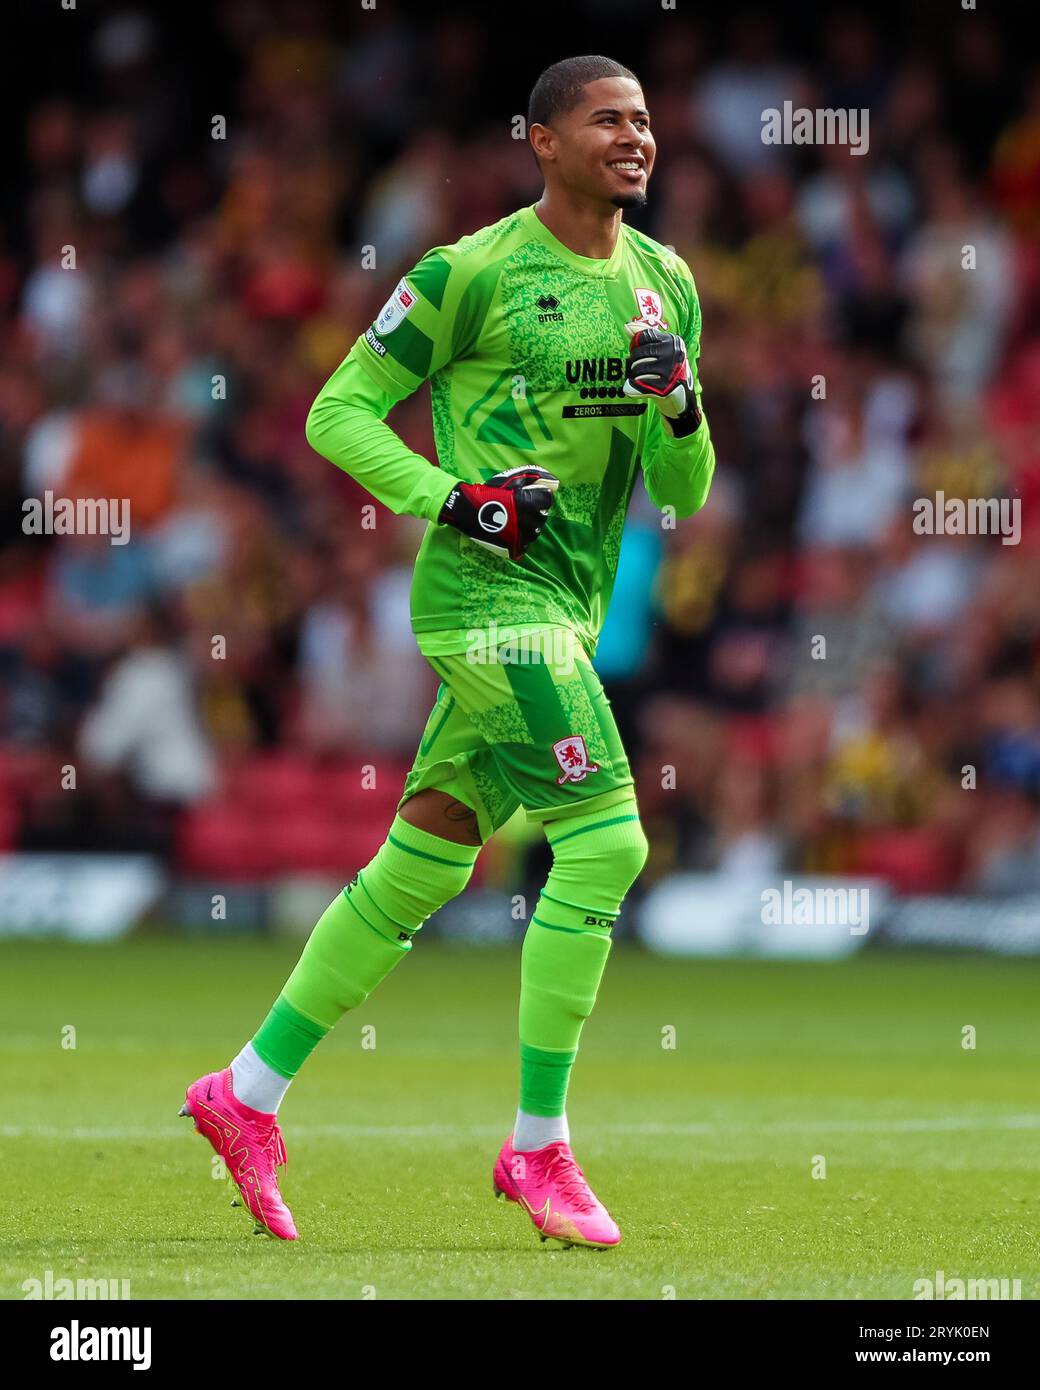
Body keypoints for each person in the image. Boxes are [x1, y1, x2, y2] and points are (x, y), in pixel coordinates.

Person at [180, 54, 715, 1249]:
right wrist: (456, 498)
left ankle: (244, 1093)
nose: (635, 139)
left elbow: (682, 487)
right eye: (605, 120)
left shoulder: (662, 284)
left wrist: (677, 403)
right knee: (609, 836)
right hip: (485, 598)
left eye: (643, 121)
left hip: (570, 604)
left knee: (423, 860)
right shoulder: (465, 272)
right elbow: (336, 412)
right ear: (539, 139)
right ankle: (537, 1147)